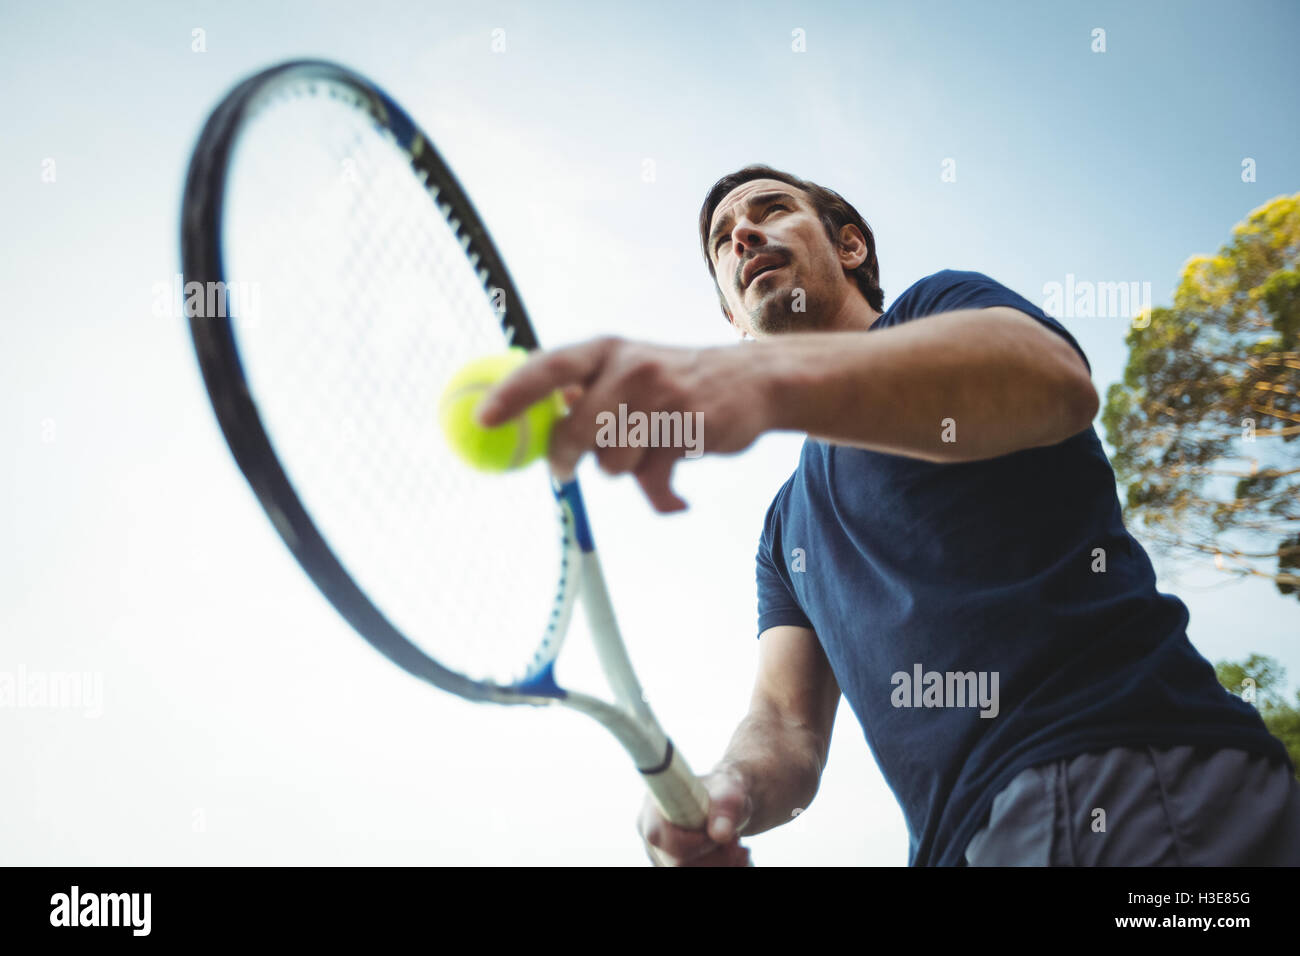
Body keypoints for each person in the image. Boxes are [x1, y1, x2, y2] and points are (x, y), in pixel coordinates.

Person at [478, 164, 1299, 866]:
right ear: (731, 320)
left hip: (1126, 780)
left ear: (849, 245)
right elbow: (786, 727)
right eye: (724, 237)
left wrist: (765, 388)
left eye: (770, 210)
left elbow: (1053, 383)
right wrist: (724, 788)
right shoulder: (785, 528)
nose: (742, 235)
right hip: (961, 844)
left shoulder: (941, 308)